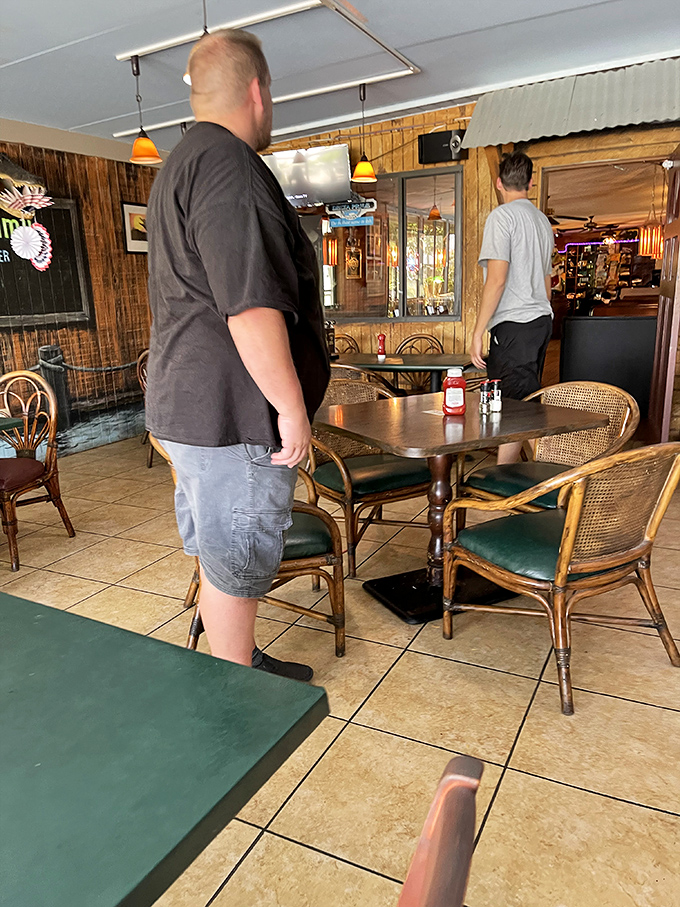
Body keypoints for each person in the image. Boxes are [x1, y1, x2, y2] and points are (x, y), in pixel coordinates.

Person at [145, 29, 330, 679]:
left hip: (189, 407)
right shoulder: (230, 166)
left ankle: (235, 653)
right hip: (233, 414)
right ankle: (236, 694)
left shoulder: (179, 167)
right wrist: (291, 407)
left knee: (217, 548)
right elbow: (249, 305)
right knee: (238, 552)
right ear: (258, 91)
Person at [471, 151, 554, 463]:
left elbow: (497, 280)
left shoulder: (501, 217)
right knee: (526, 402)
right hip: (541, 322)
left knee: (511, 408)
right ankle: (530, 477)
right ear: (530, 183)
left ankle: (506, 486)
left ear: (499, 182)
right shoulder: (542, 221)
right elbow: (547, 279)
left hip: (515, 325)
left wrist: (478, 332)